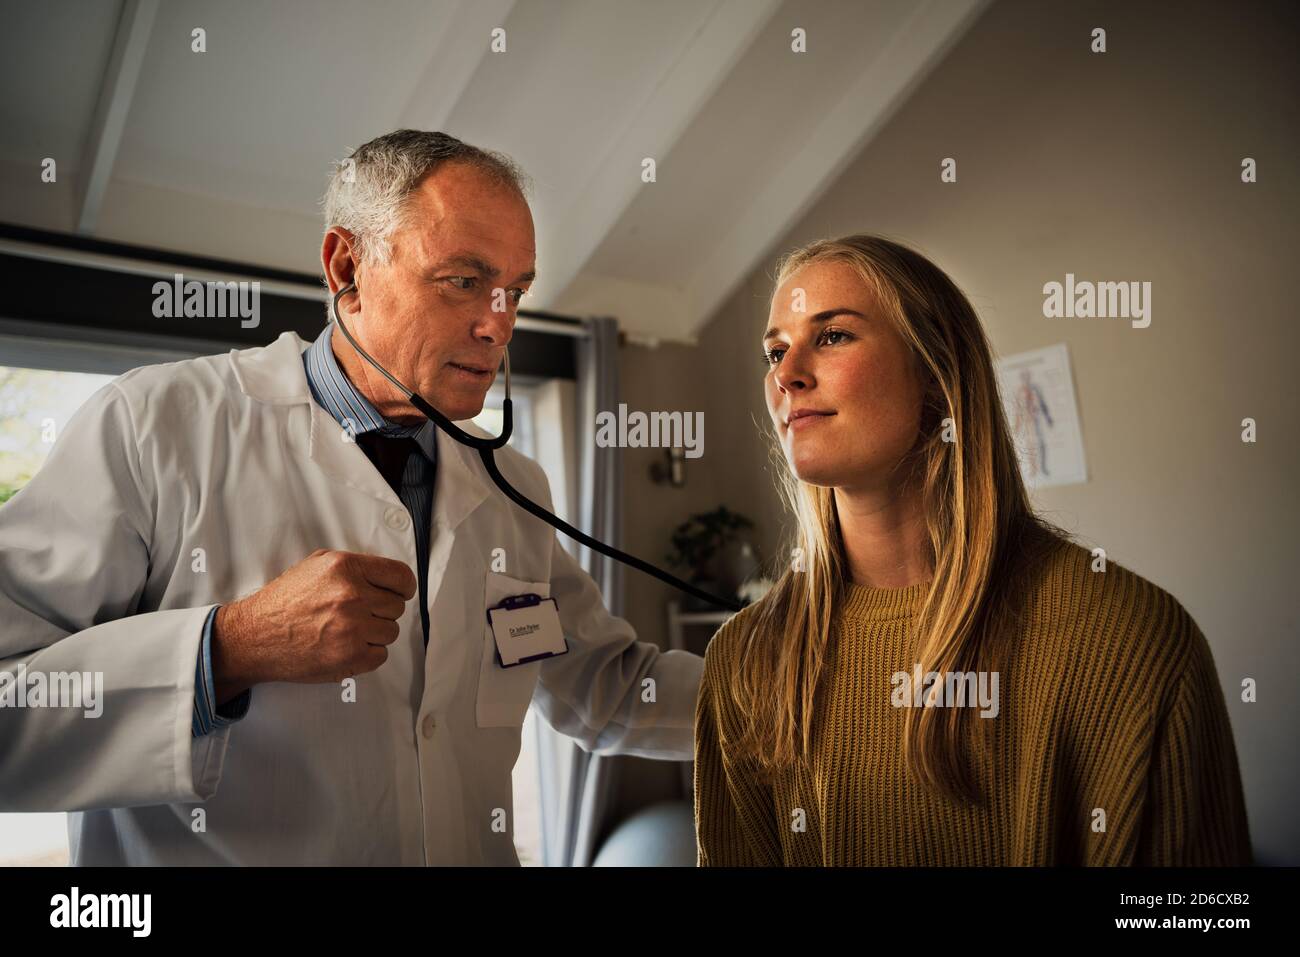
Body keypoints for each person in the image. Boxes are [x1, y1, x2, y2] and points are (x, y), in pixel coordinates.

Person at [0, 130, 703, 865]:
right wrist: (227, 649)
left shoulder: (514, 489)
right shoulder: (156, 427)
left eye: (515, 290)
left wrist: (800, 683)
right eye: (464, 280)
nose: (500, 322)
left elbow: (608, 685)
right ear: (348, 268)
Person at [693, 234, 1252, 866]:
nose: (786, 374)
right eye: (774, 350)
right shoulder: (743, 660)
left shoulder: (1134, 638)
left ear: (936, 373)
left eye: (832, 336)